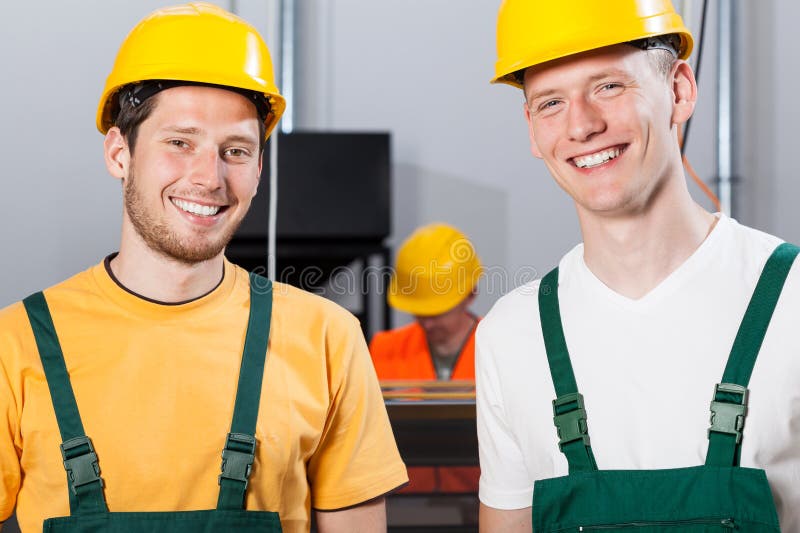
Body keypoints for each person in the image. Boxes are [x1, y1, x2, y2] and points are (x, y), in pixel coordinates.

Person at [0, 4, 407, 533]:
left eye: (235, 150)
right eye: (180, 142)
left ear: (259, 170)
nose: (209, 177)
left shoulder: (327, 339)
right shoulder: (18, 342)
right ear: (119, 153)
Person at [476, 1, 799, 531]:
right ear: (532, 131)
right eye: (550, 102)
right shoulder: (512, 335)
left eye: (608, 86)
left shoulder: (792, 299)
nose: (581, 125)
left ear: (679, 90)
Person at [369, 223, 481, 493]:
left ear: (470, 294)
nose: (427, 323)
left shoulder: (501, 350)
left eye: (437, 312)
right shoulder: (385, 350)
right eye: (419, 312)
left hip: (481, 509)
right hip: (404, 508)